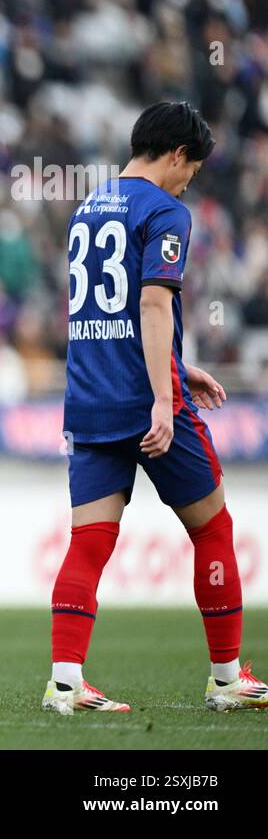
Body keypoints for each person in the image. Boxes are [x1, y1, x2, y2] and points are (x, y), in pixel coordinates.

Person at [45, 101, 267, 713]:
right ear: (176, 154)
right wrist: (165, 399)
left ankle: (65, 683)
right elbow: (149, 305)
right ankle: (226, 681)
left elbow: (102, 313)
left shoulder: (88, 208)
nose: (188, 180)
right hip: (145, 402)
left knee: (88, 542)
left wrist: (177, 362)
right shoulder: (167, 210)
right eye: (190, 169)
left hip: (89, 398)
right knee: (213, 528)